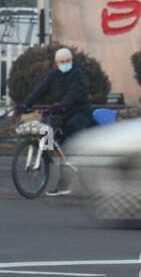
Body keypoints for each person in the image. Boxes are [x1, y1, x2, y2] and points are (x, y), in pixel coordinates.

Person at [18, 47, 93, 196]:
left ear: (71, 61)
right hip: (61, 113)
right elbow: (41, 89)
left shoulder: (77, 75)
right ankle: (47, 160)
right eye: (61, 62)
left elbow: (74, 93)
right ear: (56, 63)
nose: (64, 64)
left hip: (80, 112)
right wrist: (26, 104)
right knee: (50, 133)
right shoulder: (54, 75)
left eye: (67, 61)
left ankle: (64, 184)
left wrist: (62, 104)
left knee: (69, 139)